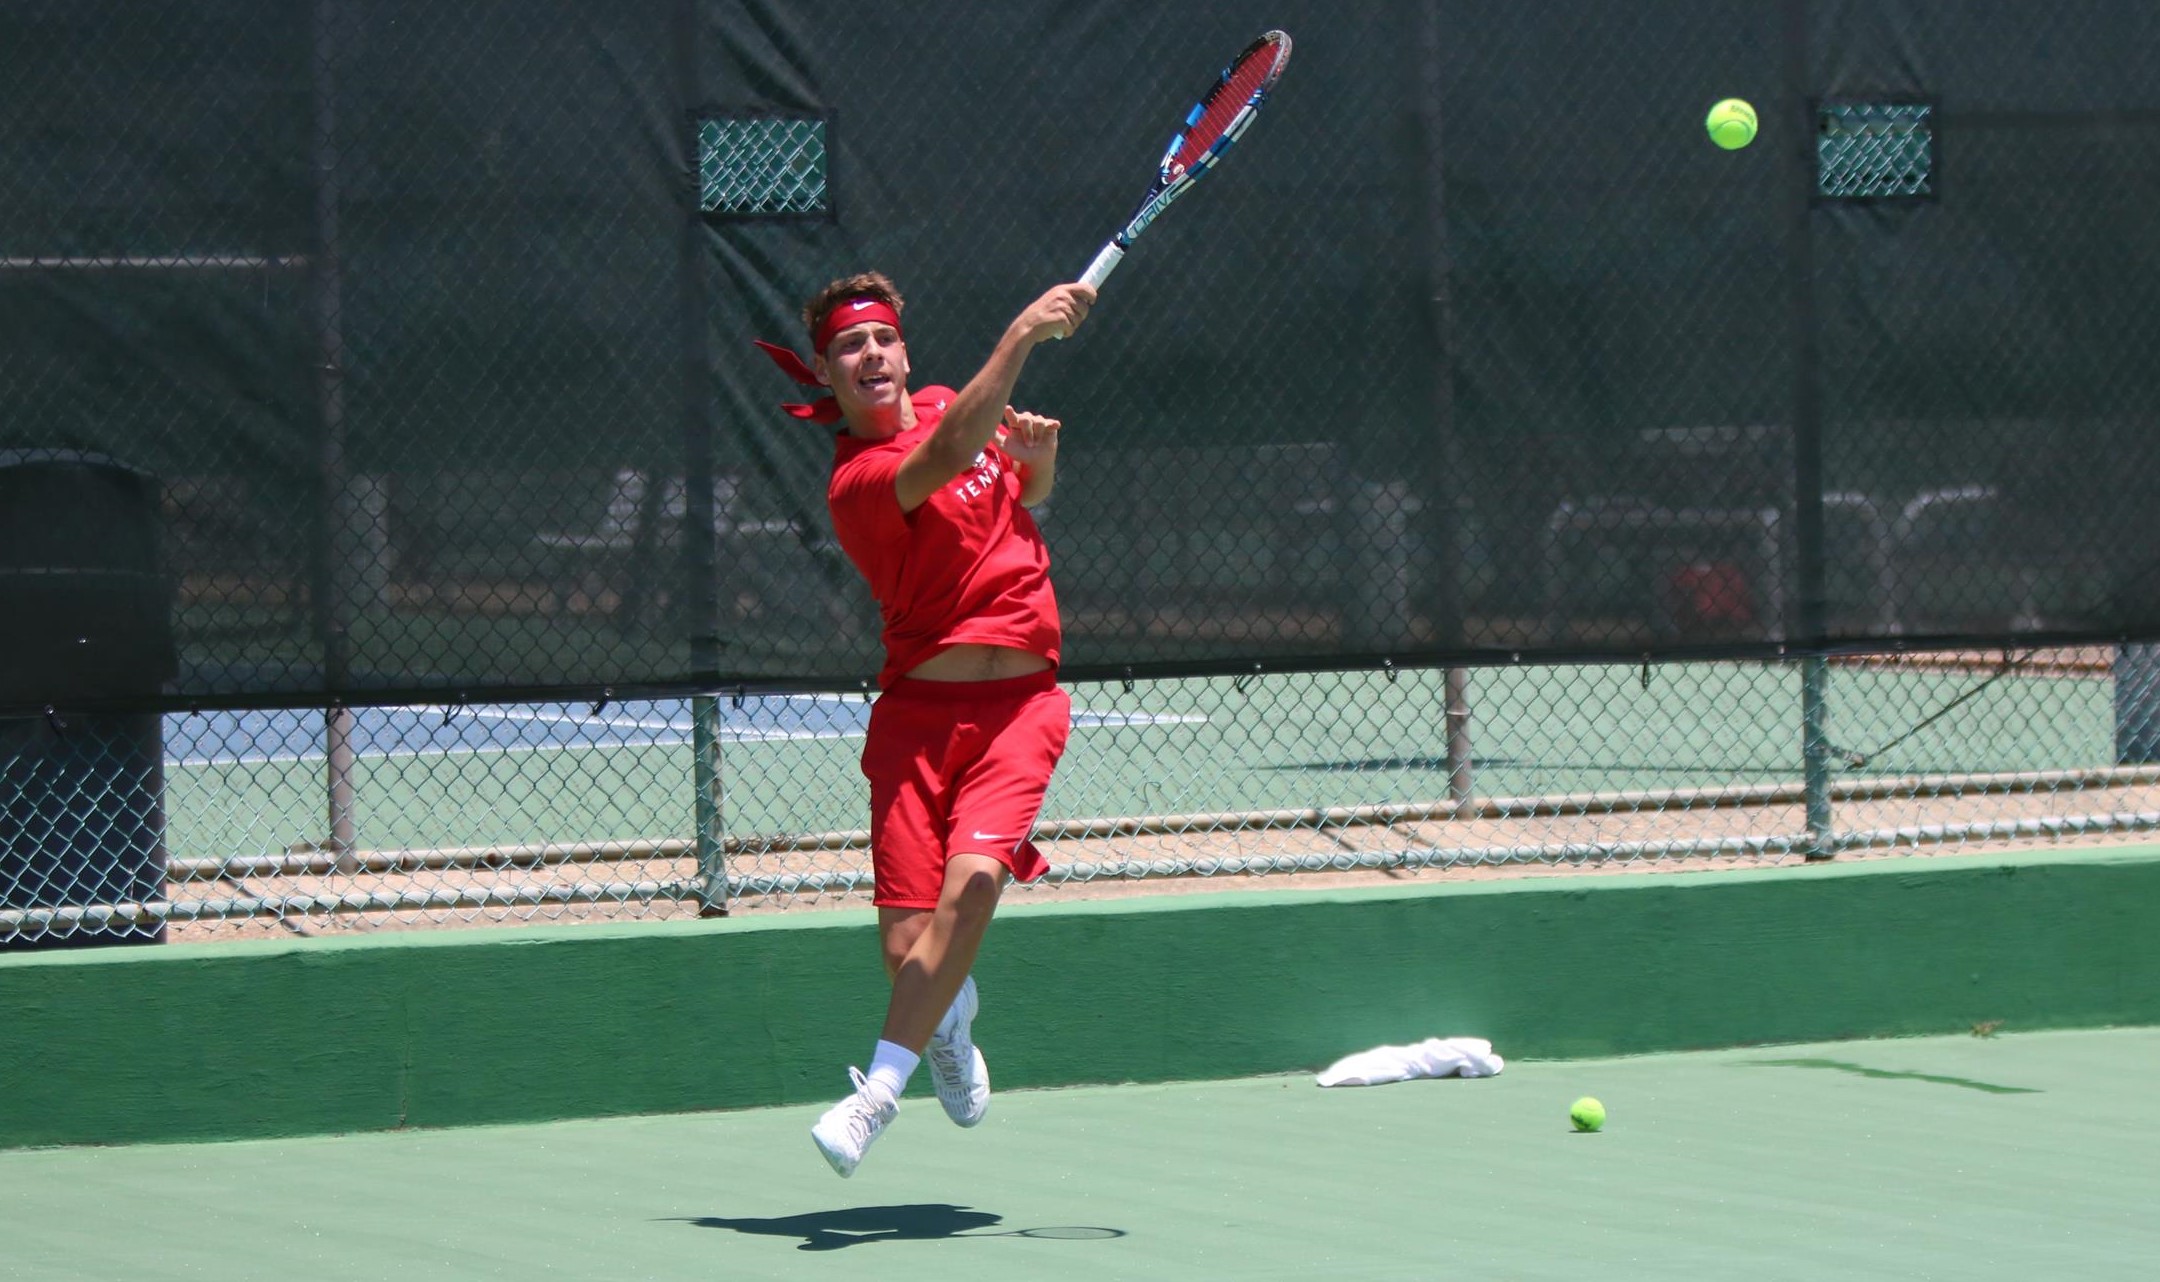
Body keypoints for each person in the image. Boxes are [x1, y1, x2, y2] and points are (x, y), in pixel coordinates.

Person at [756, 271, 1095, 1177]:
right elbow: (947, 454)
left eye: (881, 341)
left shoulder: (956, 405)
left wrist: (1040, 454)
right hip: (916, 722)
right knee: (911, 949)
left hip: (1021, 708)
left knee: (975, 887)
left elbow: (1021, 490)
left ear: (904, 353)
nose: (870, 356)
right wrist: (1022, 331)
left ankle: (876, 1095)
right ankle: (951, 1017)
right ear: (827, 377)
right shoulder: (859, 481)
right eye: (848, 349)